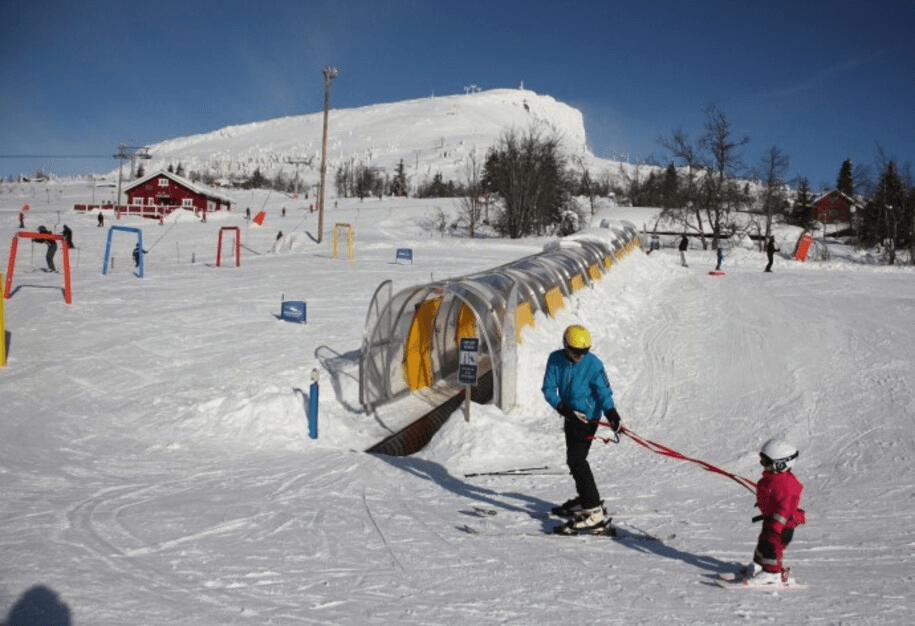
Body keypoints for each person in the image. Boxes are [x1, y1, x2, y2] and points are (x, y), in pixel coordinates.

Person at [541, 325, 622, 535]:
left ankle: (593, 510)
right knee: (574, 459)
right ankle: (584, 498)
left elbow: (604, 392)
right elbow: (548, 388)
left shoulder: (593, 364)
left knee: (577, 460)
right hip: (570, 415)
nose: (579, 356)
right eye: (576, 351)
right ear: (565, 345)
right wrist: (561, 407)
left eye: (583, 352)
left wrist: (611, 413)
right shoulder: (555, 359)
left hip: (588, 417)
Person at [742, 438, 806, 585]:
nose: (762, 464)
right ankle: (759, 567)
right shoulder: (774, 478)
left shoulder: (787, 484)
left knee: (771, 546)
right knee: (762, 543)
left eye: (765, 462)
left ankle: (772, 574)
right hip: (771, 520)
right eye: (762, 460)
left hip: (781, 525)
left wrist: (777, 526)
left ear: (781, 464)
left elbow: (785, 508)